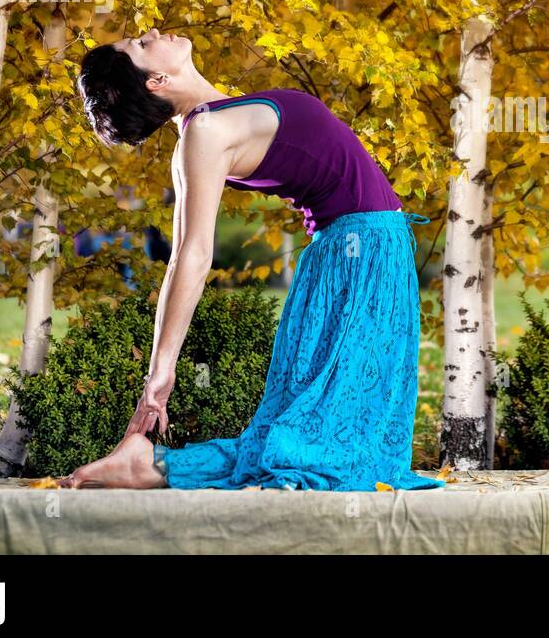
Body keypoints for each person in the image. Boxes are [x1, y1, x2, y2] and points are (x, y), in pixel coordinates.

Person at [57, 27, 445, 492]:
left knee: (357, 440)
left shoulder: (217, 114)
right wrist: (160, 373)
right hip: (358, 257)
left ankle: (149, 465)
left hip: (363, 254)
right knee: (335, 453)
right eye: (140, 45)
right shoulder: (203, 132)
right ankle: (149, 465)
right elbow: (191, 256)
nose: (153, 32)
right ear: (156, 81)